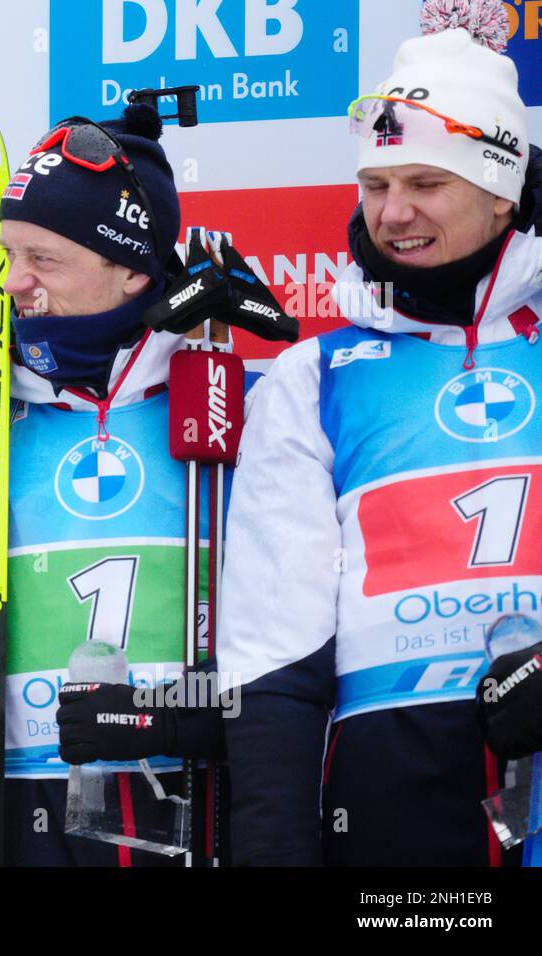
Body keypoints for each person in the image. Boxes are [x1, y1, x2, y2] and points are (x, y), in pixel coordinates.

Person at [0, 103, 238, 866]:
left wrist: (176, 717)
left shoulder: (231, 405)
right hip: (27, 828)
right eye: (8, 255)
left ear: (131, 266)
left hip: (205, 817)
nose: (13, 283)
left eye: (45, 259)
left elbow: (297, 678)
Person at [220, 3, 542, 866]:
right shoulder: (314, 376)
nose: (393, 213)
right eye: (375, 186)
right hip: (393, 807)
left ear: (503, 192)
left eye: (427, 184)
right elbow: (272, 647)